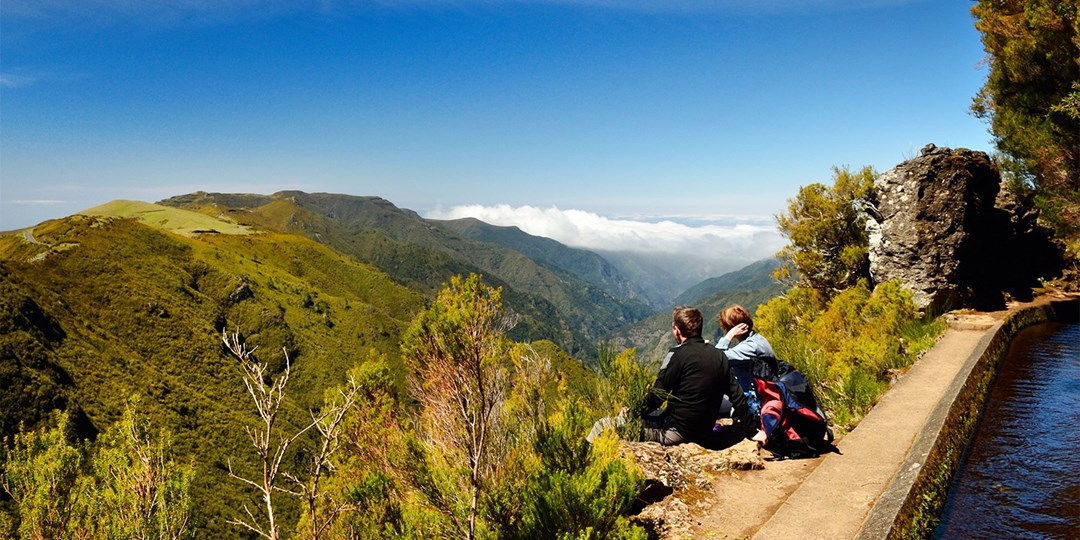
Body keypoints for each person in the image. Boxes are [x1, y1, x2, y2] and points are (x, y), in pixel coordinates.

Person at [637, 306, 755, 446]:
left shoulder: (678, 355)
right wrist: (753, 431)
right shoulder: (718, 355)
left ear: (677, 330)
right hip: (704, 431)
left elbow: (658, 395)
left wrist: (635, 411)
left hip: (676, 432)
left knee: (612, 424)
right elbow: (737, 396)